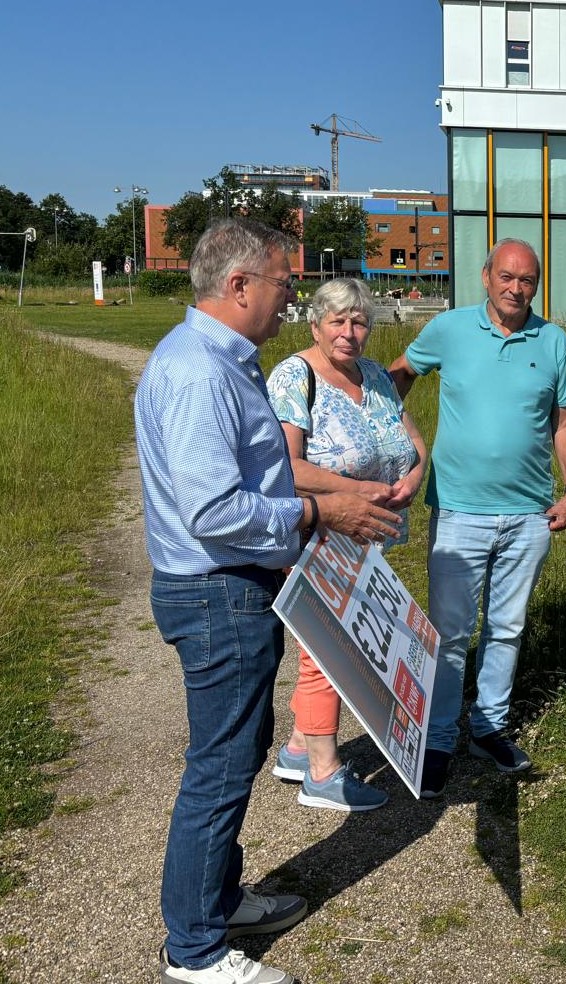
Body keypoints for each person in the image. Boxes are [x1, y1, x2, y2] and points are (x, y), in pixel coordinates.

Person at [136, 218, 400, 984]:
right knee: (219, 768)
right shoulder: (197, 372)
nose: (291, 295)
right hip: (218, 592)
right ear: (239, 284)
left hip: (238, 586)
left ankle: (215, 901)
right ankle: (194, 950)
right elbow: (215, 512)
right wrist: (320, 513)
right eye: (284, 282)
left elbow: (256, 478)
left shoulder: (227, 360)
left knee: (239, 753)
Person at [388, 238, 566, 798]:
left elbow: (564, 421)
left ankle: (489, 728)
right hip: (457, 511)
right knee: (449, 634)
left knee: (507, 628)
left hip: (528, 514)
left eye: (527, 281)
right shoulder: (449, 329)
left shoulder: (553, 341)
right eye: (507, 277)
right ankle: (440, 736)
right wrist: (372, 419)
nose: (516, 289)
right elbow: (399, 373)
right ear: (486, 276)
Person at [265, 278, 428, 812]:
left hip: (365, 535)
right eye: (337, 321)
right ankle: (321, 771)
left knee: (327, 643)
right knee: (326, 649)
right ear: (315, 324)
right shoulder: (296, 376)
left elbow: (412, 442)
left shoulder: (378, 377)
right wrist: (356, 491)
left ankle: (295, 749)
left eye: (359, 322)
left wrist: (413, 478)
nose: (349, 332)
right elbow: (285, 467)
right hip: (317, 532)